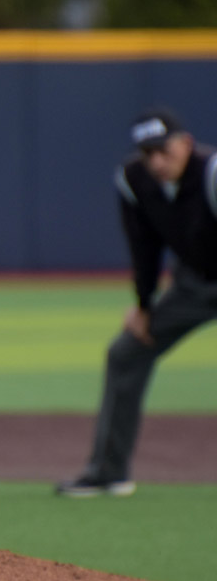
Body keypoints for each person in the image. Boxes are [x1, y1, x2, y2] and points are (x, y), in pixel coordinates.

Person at [56, 106, 217, 498]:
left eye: (165, 150)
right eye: (148, 153)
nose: (157, 161)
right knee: (126, 353)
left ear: (186, 144)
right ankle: (108, 472)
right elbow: (144, 246)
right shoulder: (134, 181)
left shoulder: (212, 173)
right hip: (194, 286)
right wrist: (144, 306)